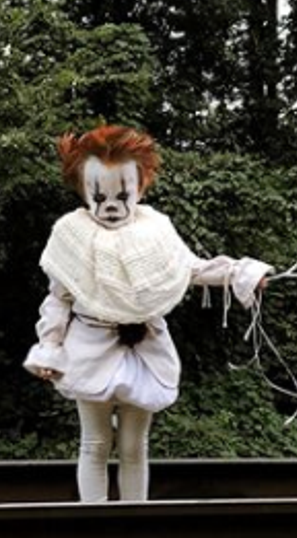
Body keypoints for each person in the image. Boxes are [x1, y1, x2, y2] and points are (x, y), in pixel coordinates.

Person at [23, 125, 272, 502]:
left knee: (134, 445)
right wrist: (49, 345)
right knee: (94, 443)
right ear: (82, 188)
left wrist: (241, 273)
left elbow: (190, 269)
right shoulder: (69, 234)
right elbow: (58, 298)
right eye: (99, 194)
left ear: (141, 186)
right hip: (90, 346)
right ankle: (95, 527)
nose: (110, 204)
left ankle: (134, 526)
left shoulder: (155, 228)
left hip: (145, 346)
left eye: (122, 194)